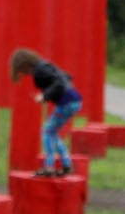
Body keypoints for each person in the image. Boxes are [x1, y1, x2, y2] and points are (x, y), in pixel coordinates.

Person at [13, 48, 82, 178]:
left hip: (67, 102)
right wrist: (48, 94)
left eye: (20, 69)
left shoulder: (39, 71)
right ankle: (67, 165)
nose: (22, 73)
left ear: (24, 65)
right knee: (52, 132)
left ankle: (49, 167)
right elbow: (67, 76)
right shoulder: (45, 65)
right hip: (74, 101)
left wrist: (44, 96)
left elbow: (58, 82)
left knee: (47, 132)